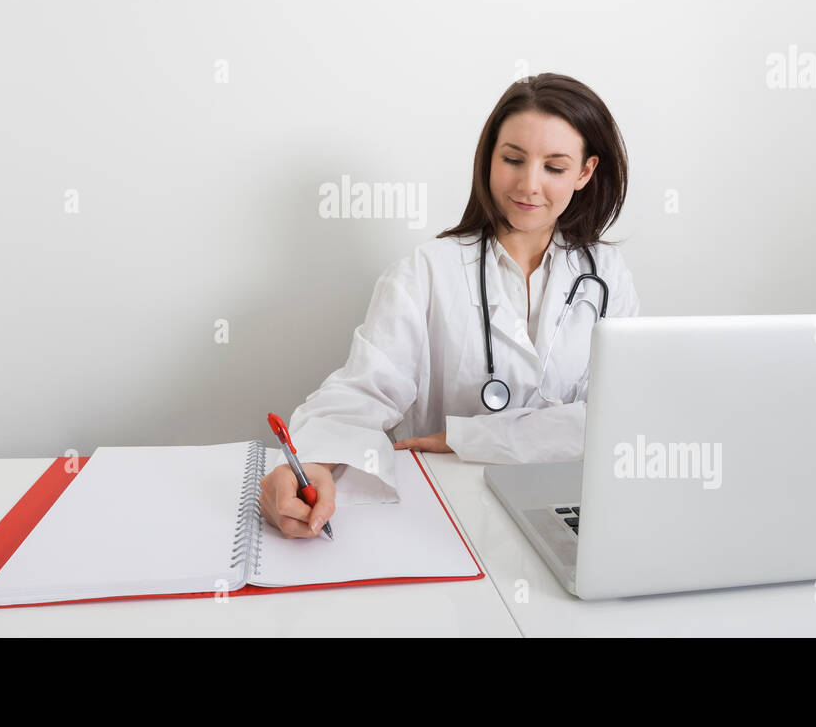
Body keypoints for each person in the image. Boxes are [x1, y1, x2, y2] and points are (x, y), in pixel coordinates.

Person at [260, 73, 641, 539]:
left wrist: (467, 437)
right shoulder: (427, 271)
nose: (529, 184)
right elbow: (361, 393)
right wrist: (310, 461)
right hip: (446, 516)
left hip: (570, 505)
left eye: (555, 168)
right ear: (488, 160)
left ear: (584, 172)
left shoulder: (607, 274)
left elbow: (621, 416)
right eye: (513, 159)